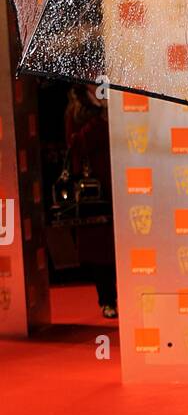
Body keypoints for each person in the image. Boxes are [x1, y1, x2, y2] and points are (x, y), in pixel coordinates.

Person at [64, 83, 118, 317]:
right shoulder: (76, 110)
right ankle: (107, 300)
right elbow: (75, 146)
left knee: (126, 245)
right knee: (101, 250)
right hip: (95, 188)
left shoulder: (120, 101)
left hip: (124, 182)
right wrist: (100, 121)